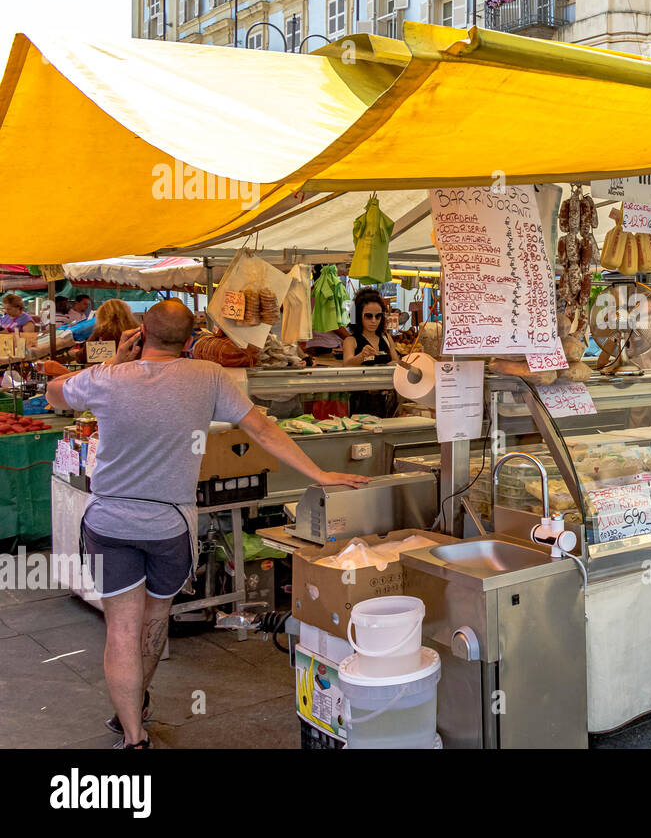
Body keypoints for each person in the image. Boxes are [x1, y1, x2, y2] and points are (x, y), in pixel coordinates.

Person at [43, 299, 368, 748]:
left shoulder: (106, 379)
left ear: (141, 332)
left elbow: (53, 392)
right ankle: (135, 705)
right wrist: (319, 474)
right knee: (154, 620)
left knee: (120, 627)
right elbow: (263, 430)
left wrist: (117, 360)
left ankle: (134, 735)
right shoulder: (209, 377)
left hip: (110, 519)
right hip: (170, 524)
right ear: (191, 337)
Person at [342, 288, 399, 417]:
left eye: (378, 316)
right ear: (358, 316)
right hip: (362, 401)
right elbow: (347, 364)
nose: (374, 321)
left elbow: (397, 362)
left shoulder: (386, 338)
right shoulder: (351, 341)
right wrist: (361, 356)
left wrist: (393, 364)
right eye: (368, 316)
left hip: (387, 400)